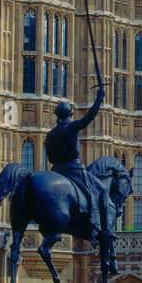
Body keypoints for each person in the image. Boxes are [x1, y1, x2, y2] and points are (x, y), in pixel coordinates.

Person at [44, 85, 111, 238]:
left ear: (57, 116)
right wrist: (99, 98)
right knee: (101, 192)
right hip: (74, 169)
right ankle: (103, 230)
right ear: (70, 114)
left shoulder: (51, 134)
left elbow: (50, 157)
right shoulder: (72, 127)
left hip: (57, 170)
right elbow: (90, 116)